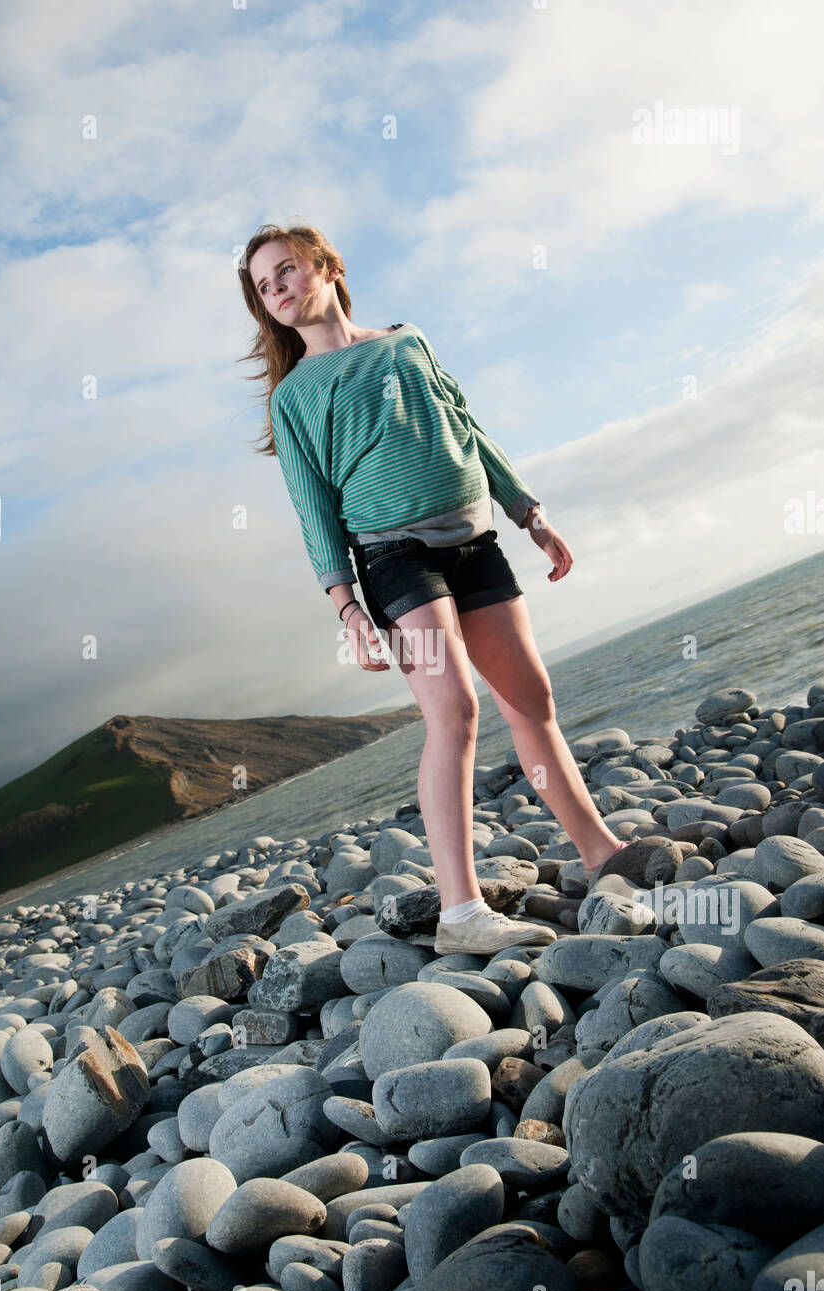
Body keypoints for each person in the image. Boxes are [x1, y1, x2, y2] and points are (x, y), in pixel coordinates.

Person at [238, 223, 630, 956]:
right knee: (452, 710)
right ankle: (460, 912)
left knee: (530, 701)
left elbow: (468, 429)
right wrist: (347, 606)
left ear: (326, 266)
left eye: (286, 270)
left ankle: (600, 852)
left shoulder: (405, 341)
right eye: (264, 286)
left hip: (475, 545)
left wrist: (530, 514)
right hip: (393, 561)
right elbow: (312, 505)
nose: (278, 289)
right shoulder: (294, 396)